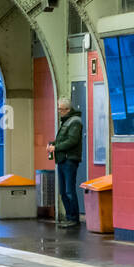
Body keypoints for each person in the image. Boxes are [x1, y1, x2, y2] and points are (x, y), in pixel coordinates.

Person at [49, 98, 83, 228]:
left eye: (60, 109)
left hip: (69, 160)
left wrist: (56, 147)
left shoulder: (75, 122)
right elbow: (64, 139)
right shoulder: (66, 121)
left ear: (67, 109)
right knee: (63, 191)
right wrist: (53, 144)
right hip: (62, 159)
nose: (59, 111)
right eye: (58, 109)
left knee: (69, 191)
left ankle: (74, 218)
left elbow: (72, 141)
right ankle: (69, 217)